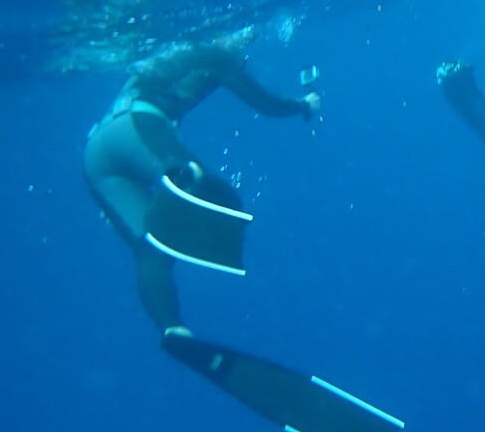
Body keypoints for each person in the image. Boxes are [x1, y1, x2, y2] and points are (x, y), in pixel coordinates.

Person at [84, 31, 320, 338]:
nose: (244, 50)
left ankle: (172, 329)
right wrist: (303, 105)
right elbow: (264, 103)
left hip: (96, 154)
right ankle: (182, 179)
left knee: (153, 249)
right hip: (138, 127)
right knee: (204, 184)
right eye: (243, 41)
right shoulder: (216, 54)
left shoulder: (175, 54)